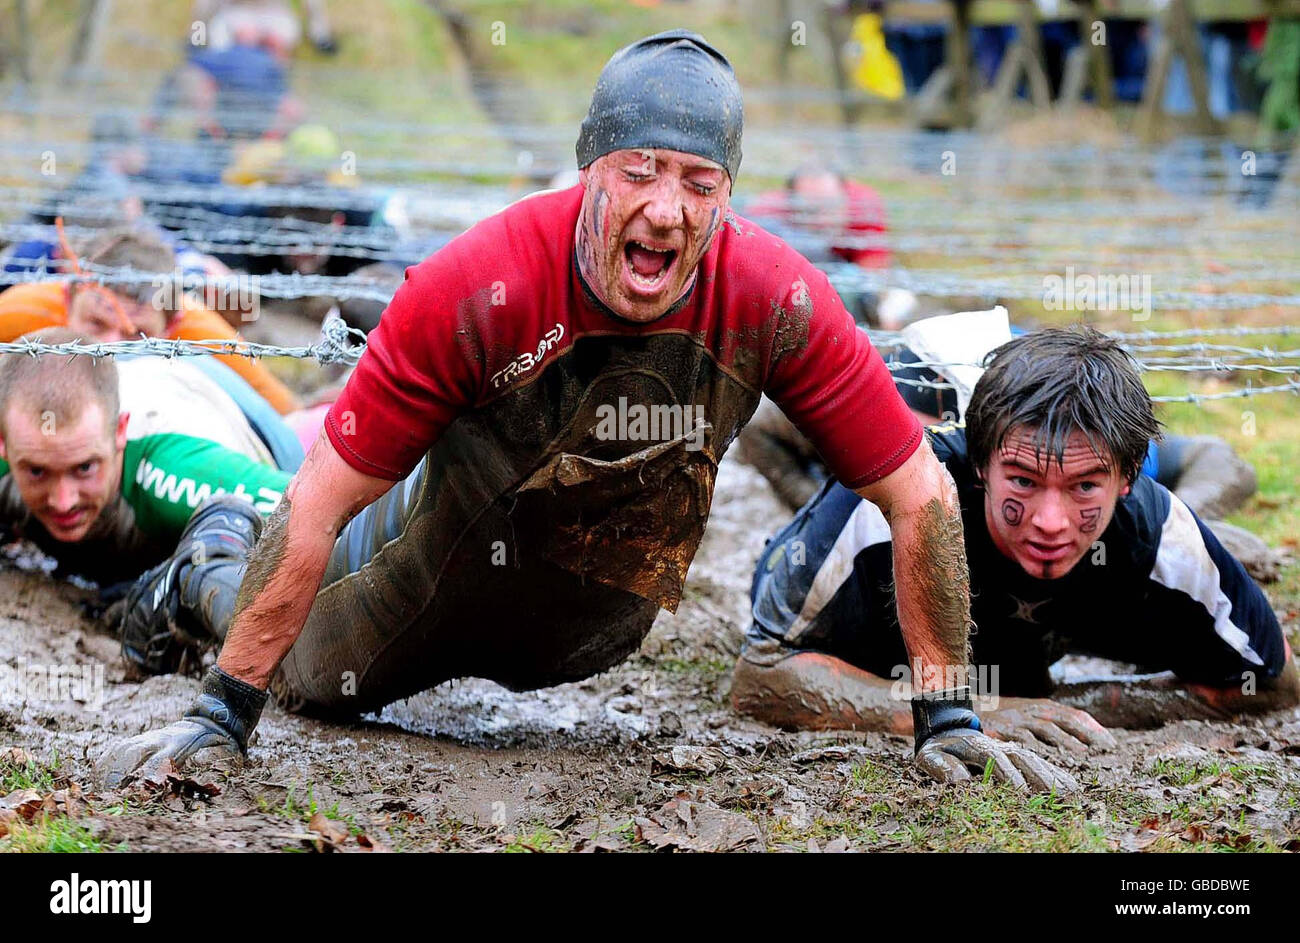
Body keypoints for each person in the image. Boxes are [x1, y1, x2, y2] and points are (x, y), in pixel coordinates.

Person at [97, 30, 1076, 794]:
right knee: (313, 672)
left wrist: (948, 717)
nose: (666, 209)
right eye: (639, 171)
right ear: (586, 171)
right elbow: (316, 508)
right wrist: (223, 717)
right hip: (417, 587)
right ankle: (202, 568)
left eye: (698, 184)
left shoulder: (772, 295)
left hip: (583, 636)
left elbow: (921, 497)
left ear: (727, 197)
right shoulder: (478, 286)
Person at [734, 328, 1298, 767]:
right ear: (980, 464)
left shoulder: (1160, 530)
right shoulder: (892, 492)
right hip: (858, 638)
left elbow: (1273, 681)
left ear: (1128, 477)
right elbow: (757, 680)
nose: (1051, 523)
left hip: (1036, 638)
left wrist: (1082, 704)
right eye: (1023, 482)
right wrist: (976, 709)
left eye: (1084, 487)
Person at [0, 327, 295, 672]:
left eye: (84, 468)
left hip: (225, 398)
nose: (63, 501)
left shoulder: (173, 470)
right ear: (4, 443)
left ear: (119, 433)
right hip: (117, 366)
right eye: (37, 471)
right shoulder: (18, 429)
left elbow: (326, 515)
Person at [0, 227, 300, 415]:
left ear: (172, 325)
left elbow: (282, 410)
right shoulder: (26, 308)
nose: (111, 348)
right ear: (68, 299)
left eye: (138, 334)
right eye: (96, 323)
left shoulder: (200, 333)